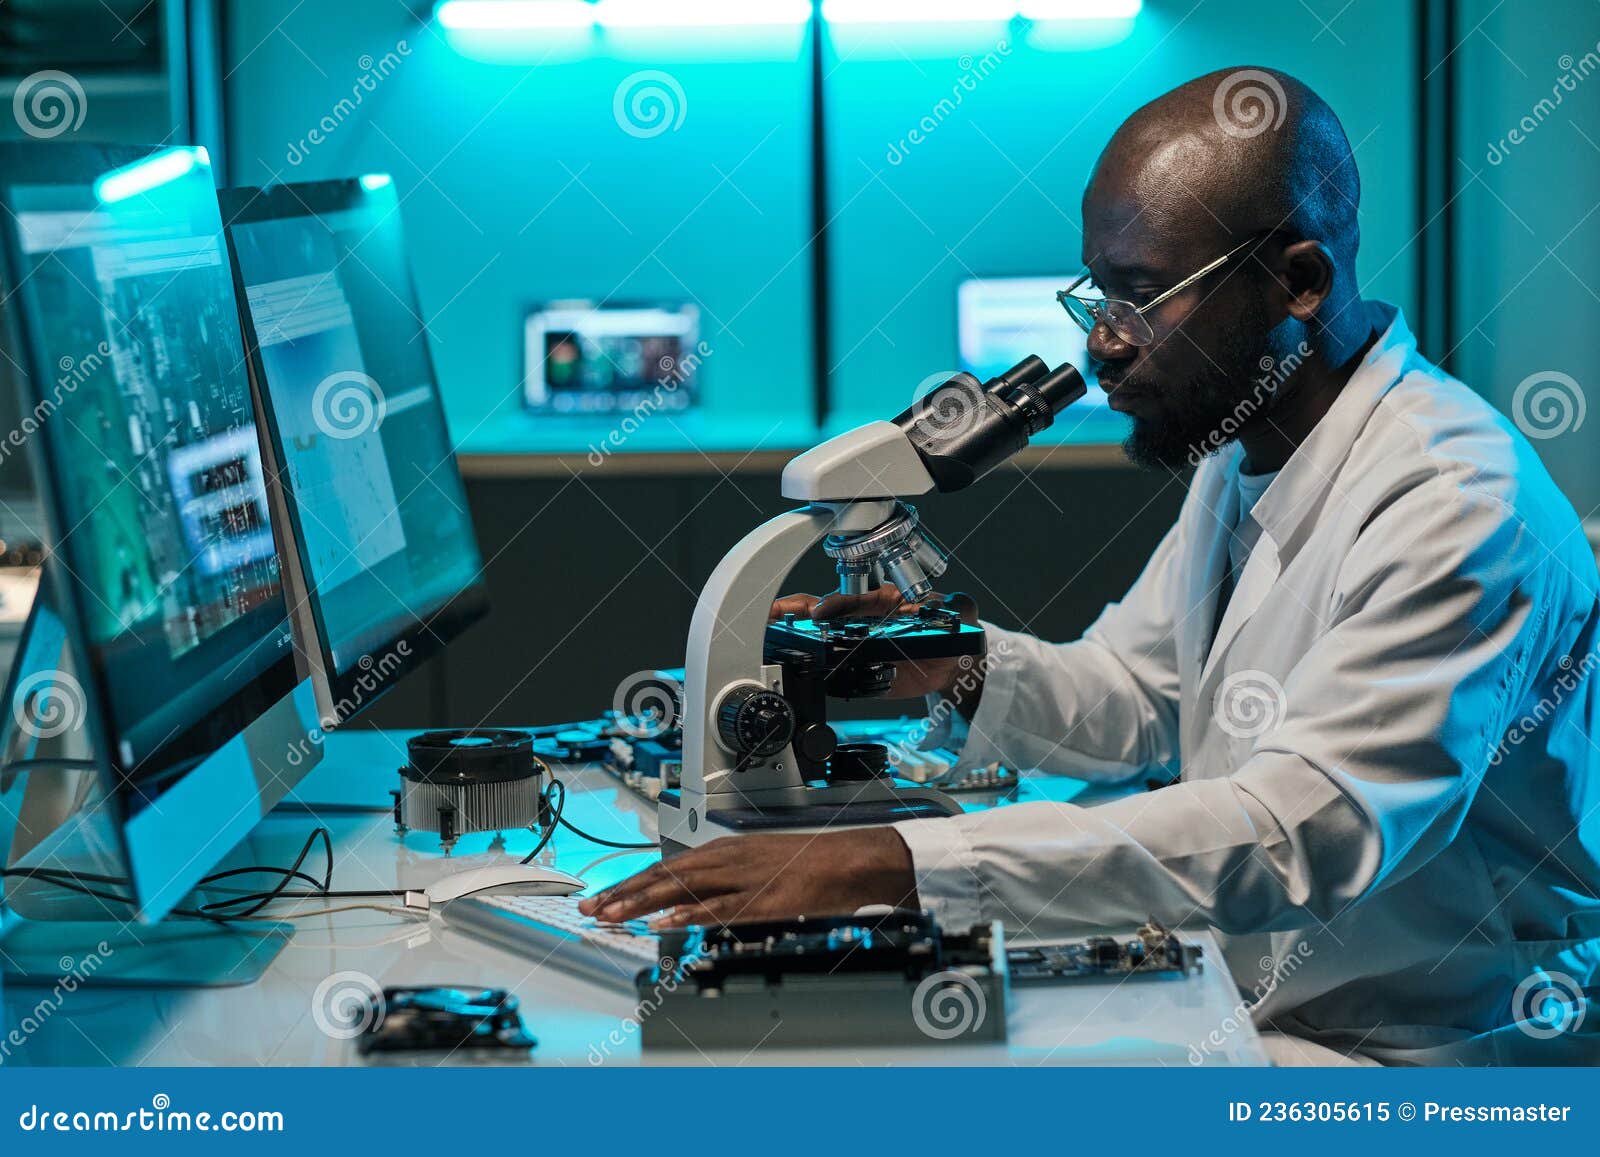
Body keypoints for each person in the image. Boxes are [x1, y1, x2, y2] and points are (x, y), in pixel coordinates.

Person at [581, 68, 1600, 1065]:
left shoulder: (1455, 503)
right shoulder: (1252, 445)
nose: (1104, 347)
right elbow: (1140, 693)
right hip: (1260, 1002)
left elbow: (1300, 827)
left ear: (1299, 280)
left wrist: (888, 860)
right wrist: (948, 658)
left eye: (1144, 296)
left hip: (1421, 1050)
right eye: (1098, 294)